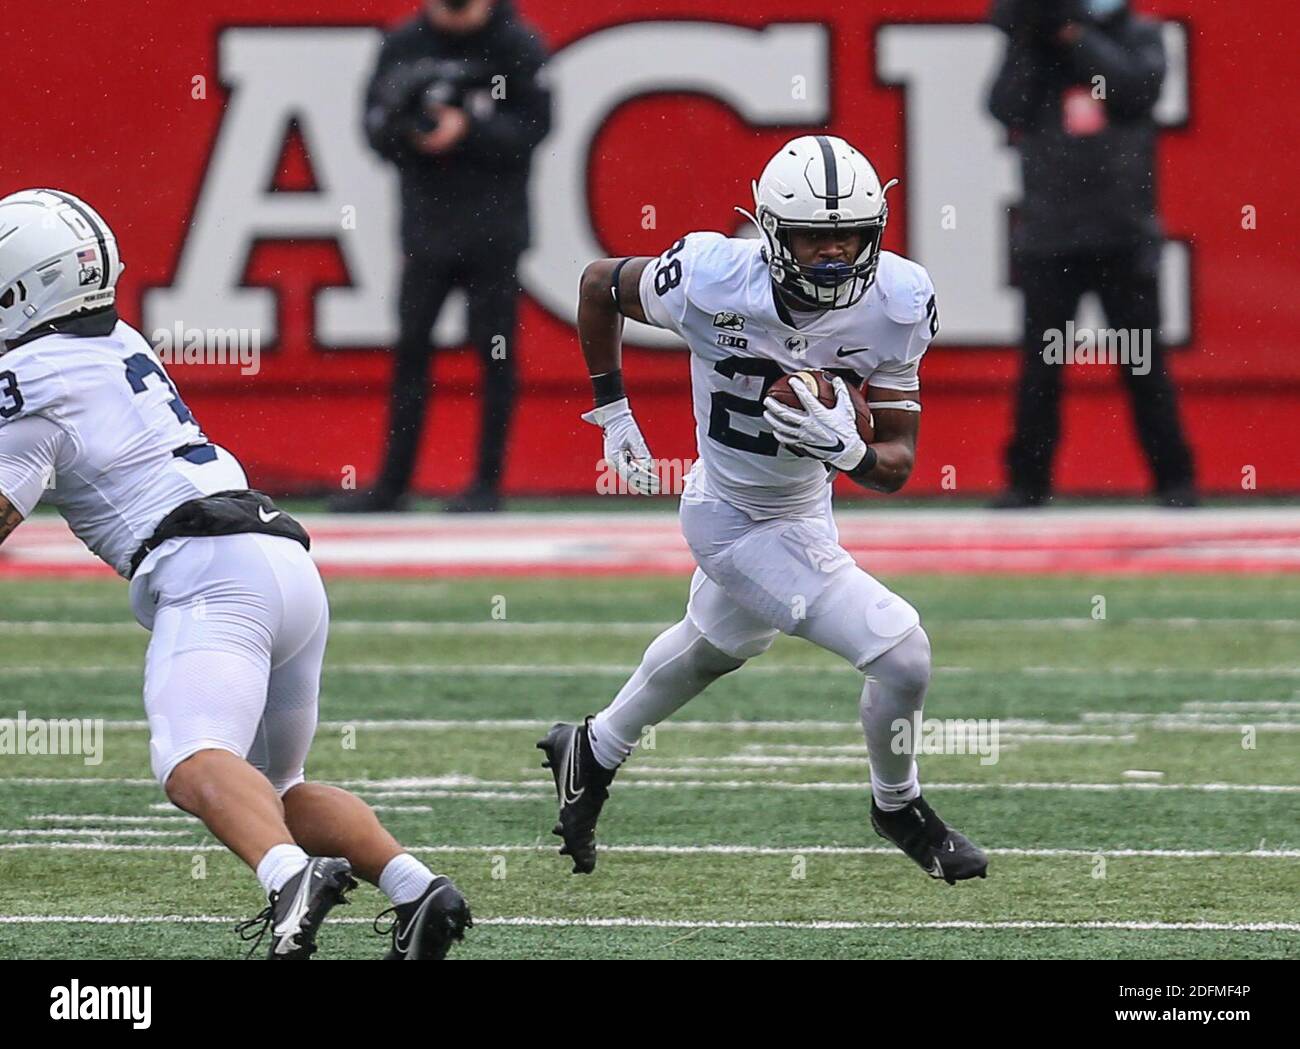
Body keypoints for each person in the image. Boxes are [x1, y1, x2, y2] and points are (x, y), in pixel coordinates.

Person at [0, 189, 471, 959]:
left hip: (207, 570)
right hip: (279, 560)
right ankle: (416, 887)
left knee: (190, 760)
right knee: (275, 787)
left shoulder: (33, 376)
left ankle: (290, 877)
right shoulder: (119, 342)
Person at [537, 136, 988, 886]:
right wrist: (612, 410)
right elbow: (596, 283)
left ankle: (591, 749)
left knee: (712, 647)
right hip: (729, 515)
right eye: (815, 237)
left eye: (850, 236)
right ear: (773, 231)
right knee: (901, 652)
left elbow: (897, 464)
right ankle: (898, 804)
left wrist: (848, 452)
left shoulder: (901, 301)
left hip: (806, 507)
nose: (836, 254)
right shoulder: (711, 276)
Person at [334, 0, 551, 513]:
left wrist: (467, 130)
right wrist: (408, 128)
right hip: (427, 229)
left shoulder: (516, 43)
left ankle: (486, 485)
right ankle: (393, 484)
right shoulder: (405, 43)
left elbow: (533, 129)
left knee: (494, 353)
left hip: (495, 230)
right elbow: (374, 130)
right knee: (411, 352)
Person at [988, 0, 1197, 507]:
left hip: (1121, 235)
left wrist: (1072, 35)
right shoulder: (1034, 45)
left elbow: (1134, 88)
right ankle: (1027, 484)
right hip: (1050, 238)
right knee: (1041, 368)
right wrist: (1028, 40)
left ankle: (1175, 482)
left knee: (1143, 363)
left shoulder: (1139, 35)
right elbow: (1004, 106)